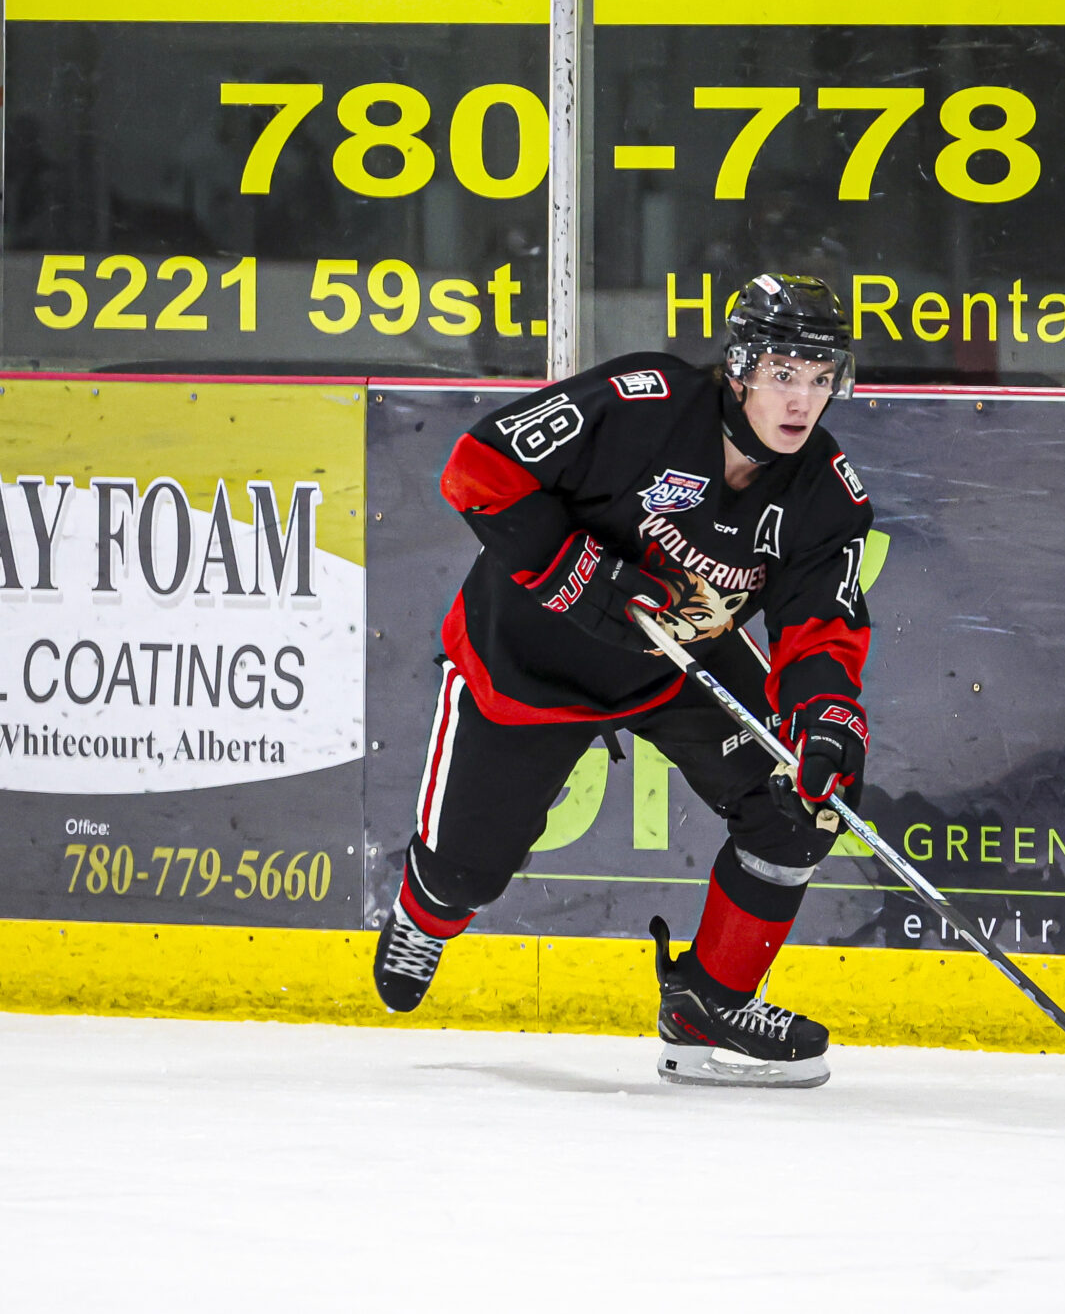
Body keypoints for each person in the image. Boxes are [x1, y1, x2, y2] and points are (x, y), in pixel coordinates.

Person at [372, 274, 875, 1088]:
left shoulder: (824, 489)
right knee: (462, 876)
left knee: (803, 798)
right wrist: (579, 573)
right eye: (784, 373)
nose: (802, 400)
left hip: (677, 661)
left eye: (821, 378)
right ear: (741, 367)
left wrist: (825, 714)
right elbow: (478, 465)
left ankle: (708, 1003)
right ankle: (423, 910)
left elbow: (823, 621)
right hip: (526, 660)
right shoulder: (642, 402)